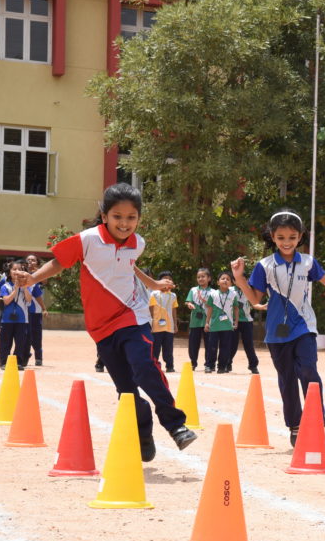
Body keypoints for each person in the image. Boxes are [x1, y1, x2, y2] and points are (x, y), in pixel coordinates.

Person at [14, 183, 197, 462]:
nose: (124, 223)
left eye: (131, 217)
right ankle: (143, 430)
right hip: (100, 327)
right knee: (126, 391)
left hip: (132, 315)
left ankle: (175, 425)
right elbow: (60, 261)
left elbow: (129, 265)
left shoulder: (138, 242)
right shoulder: (88, 240)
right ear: (104, 216)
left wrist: (153, 284)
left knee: (145, 365)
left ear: (139, 218)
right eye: (117, 216)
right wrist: (33, 278)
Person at [231, 209, 325, 446]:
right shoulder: (265, 265)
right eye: (281, 237)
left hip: (304, 326)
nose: (286, 242)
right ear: (272, 237)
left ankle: (315, 421)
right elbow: (255, 298)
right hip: (277, 332)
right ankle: (295, 425)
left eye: (292, 237)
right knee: (287, 378)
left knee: (308, 370)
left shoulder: (308, 262)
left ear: (300, 237)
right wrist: (239, 278)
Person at [0, 260, 32, 369]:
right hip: (7, 320)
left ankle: (18, 362)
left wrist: (24, 287)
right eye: (14, 269)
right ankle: (4, 362)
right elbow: (6, 301)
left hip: (22, 320)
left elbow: (29, 300)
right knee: (5, 342)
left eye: (20, 269)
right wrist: (15, 289)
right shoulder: (5, 286)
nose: (17, 271)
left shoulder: (27, 287)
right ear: (9, 272)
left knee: (20, 342)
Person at [203, 271, 238, 374]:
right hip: (214, 326)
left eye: (228, 279)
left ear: (231, 283)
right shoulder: (213, 294)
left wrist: (236, 321)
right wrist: (207, 322)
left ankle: (222, 367)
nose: (225, 280)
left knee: (225, 348)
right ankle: (209, 365)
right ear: (218, 282)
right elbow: (209, 309)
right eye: (223, 278)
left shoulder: (233, 294)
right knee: (212, 347)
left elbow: (236, 308)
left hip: (227, 326)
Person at [149, 271, 179, 373]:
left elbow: (174, 310)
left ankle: (170, 366)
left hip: (169, 326)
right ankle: (154, 365)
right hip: (156, 326)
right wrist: (150, 323)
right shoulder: (154, 294)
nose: (168, 281)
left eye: (170, 279)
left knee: (168, 348)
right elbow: (151, 309)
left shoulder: (173, 295)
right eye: (165, 279)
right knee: (155, 347)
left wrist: (175, 324)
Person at [185, 267, 211, 370]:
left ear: (209, 278)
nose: (200, 279)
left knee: (209, 344)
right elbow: (188, 301)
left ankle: (208, 364)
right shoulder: (193, 290)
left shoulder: (213, 292)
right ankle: (193, 363)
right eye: (198, 277)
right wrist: (189, 304)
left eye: (203, 276)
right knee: (193, 344)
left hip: (208, 321)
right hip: (195, 321)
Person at [231, 285, 260, 374]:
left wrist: (263, 306)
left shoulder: (249, 290)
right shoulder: (230, 290)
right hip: (232, 321)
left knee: (249, 344)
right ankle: (227, 363)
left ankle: (253, 365)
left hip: (247, 320)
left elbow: (255, 303)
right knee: (232, 344)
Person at [24, 255, 46, 367]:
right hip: (24, 310)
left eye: (33, 260)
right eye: (28, 260)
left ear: (37, 262)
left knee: (36, 335)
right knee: (25, 335)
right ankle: (25, 356)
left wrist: (36, 271)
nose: (30, 261)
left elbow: (45, 281)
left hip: (36, 310)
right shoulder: (22, 274)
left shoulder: (40, 273)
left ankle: (38, 357)